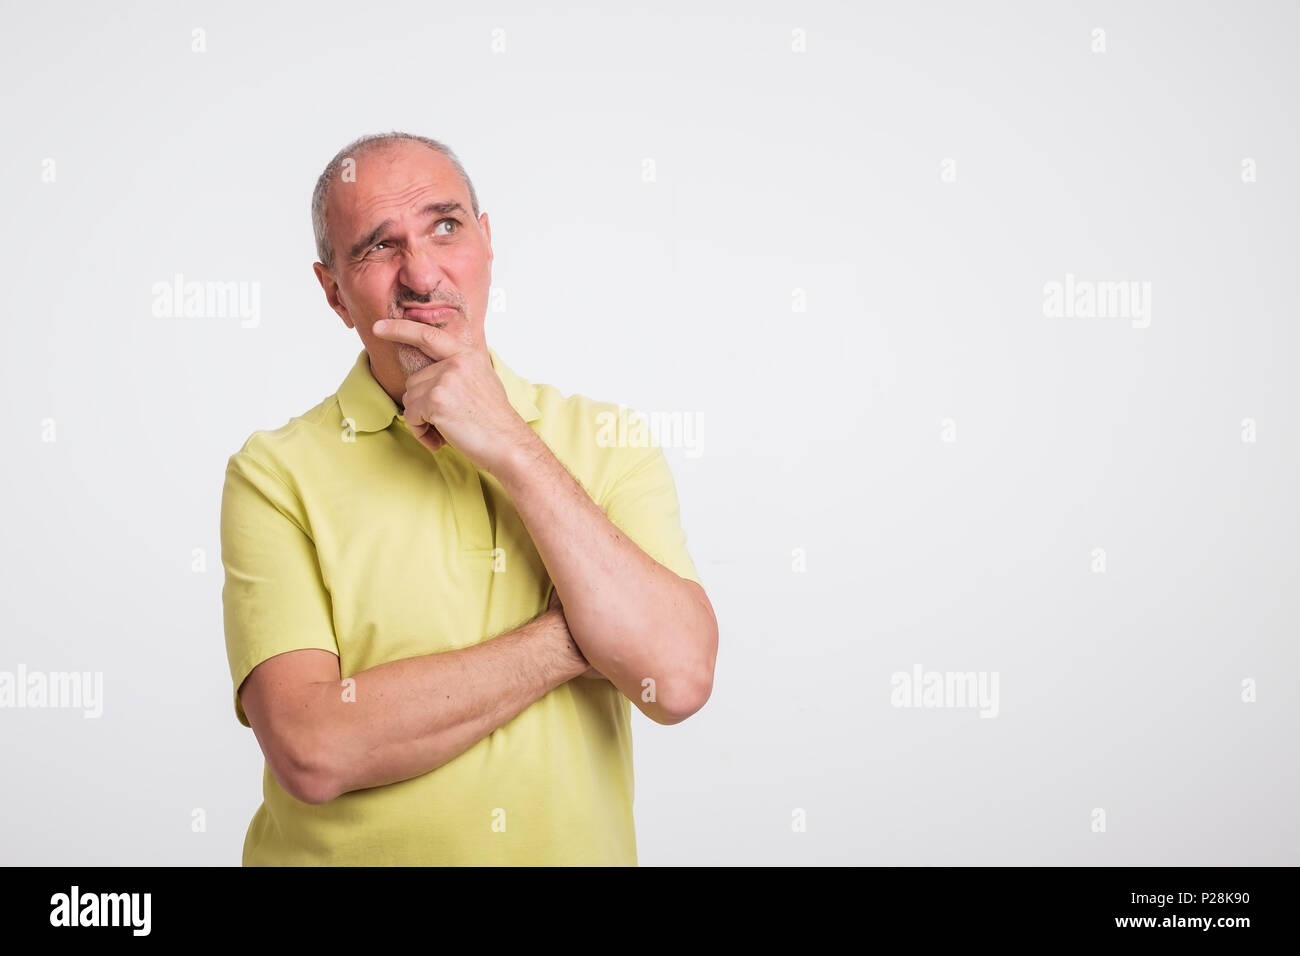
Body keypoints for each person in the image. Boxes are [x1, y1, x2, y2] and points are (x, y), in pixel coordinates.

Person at [219, 132, 718, 865]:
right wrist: (576, 637)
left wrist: (511, 443)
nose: (422, 275)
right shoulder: (272, 474)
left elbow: (675, 677)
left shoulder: (608, 439)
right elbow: (314, 750)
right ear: (334, 293)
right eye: (378, 248)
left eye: (445, 227)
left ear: (485, 243)